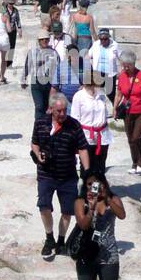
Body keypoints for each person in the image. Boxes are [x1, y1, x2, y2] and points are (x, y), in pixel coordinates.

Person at [31, 92, 90, 259]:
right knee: (44, 206)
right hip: (46, 174)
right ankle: (49, 238)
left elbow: (83, 148)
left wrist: (87, 171)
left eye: (65, 110)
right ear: (51, 110)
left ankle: (61, 241)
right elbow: (34, 143)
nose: (63, 114)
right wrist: (37, 155)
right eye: (59, 111)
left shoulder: (74, 125)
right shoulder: (41, 123)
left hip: (67, 175)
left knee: (67, 211)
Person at [73, 172, 125, 280]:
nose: (92, 187)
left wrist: (107, 198)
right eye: (89, 184)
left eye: (95, 183)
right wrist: (91, 208)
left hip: (109, 255)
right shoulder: (81, 202)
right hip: (86, 254)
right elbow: (83, 225)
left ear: (103, 183)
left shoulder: (113, 199)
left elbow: (122, 215)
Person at [113, 49, 141, 175]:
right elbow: (118, 94)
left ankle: (140, 163)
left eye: (128, 65)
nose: (125, 68)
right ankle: (135, 164)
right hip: (128, 111)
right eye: (123, 65)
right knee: (130, 138)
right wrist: (115, 108)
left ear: (133, 64)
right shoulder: (122, 77)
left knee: (136, 137)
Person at [70, 75, 113, 175]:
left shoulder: (101, 94)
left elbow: (106, 113)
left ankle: (98, 189)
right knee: (87, 167)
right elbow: (75, 118)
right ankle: (85, 189)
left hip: (102, 135)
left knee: (100, 165)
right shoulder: (79, 96)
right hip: (86, 136)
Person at [21, 29, 58, 118]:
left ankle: (48, 129)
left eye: (46, 39)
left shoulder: (54, 53)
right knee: (39, 107)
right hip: (36, 83)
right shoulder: (32, 52)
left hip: (50, 84)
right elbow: (27, 66)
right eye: (42, 39)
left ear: (49, 40)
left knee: (49, 108)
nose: (44, 41)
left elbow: (59, 68)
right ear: (39, 41)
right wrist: (23, 79)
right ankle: (38, 127)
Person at [86, 28, 121, 99]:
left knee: (111, 95)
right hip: (98, 73)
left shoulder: (115, 45)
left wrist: (121, 70)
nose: (103, 41)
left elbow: (121, 57)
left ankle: (113, 109)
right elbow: (88, 55)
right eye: (101, 39)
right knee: (97, 94)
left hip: (110, 73)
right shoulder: (96, 44)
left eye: (105, 39)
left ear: (108, 37)